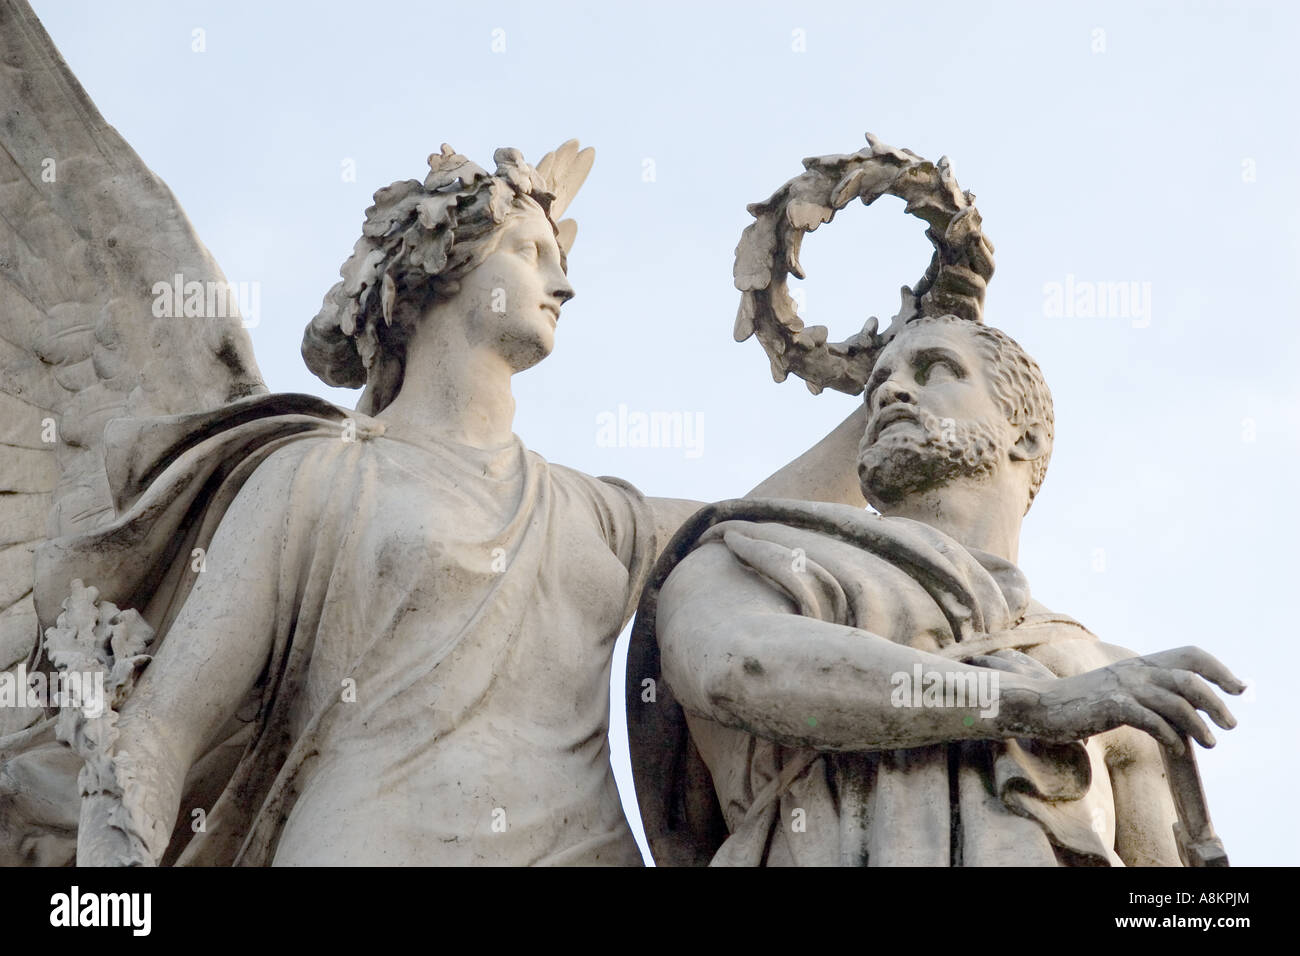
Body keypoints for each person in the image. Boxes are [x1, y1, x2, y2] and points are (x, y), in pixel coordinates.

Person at [51, 145, 872, 866]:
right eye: (529, 252)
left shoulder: (589, 512)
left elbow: (759, 531)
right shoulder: (313, 478)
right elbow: (163, 725)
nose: (564, 283)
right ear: (437, 268)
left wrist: (899, 398)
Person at [628, 313, 1242, 866]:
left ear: (1022, 434)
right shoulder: (751, 557)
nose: (891, 391)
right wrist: (1034, 706)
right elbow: (743, 668)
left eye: (935, 370)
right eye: (879, 385)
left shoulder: (1108, 676)